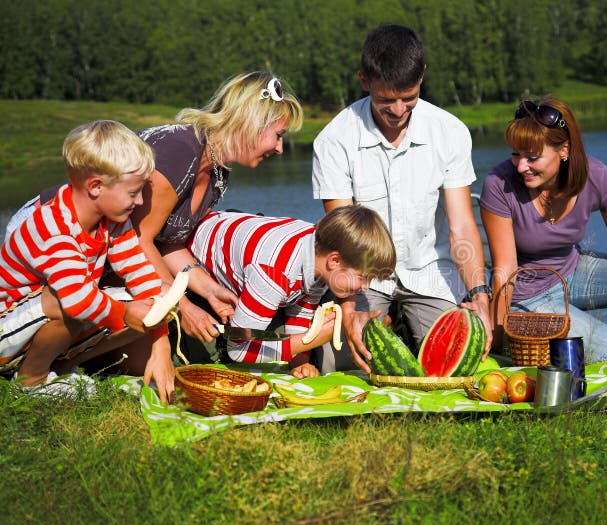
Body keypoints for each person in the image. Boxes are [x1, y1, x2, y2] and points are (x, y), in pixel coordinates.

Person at [5, 72, 304, 349]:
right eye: (278, 135)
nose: (279, 148)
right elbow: (138, 238)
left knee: (136, 335)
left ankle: (63, 365)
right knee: (118, 316)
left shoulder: (217, 171)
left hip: (107, 256)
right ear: (251, 124)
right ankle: (31, 372)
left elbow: (168, 240)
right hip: (57, 238)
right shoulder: (180, 151)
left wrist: (209, 290)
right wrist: (182, 307)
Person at [311, 24, 492, 374]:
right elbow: (342, 241)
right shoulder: (332, 141)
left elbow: (462, 227)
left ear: (422, 75)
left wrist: (479, 294)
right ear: (364, 81)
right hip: (362, 276)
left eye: (408, 99)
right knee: (345, 362)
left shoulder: (450, 132)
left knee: (460, 361)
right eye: (385, 101)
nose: (397, 110)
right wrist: (348, 312)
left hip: (431, 271)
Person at [480, 97, 607, 362]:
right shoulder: (499, 184)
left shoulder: (596, 176)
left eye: (532, 157)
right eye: (516, 153)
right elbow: (505, 271)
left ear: (564, 150)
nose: (520, 166)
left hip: (572, 272)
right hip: (527, 295)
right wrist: (494, 336)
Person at [0, 120, 174, 402]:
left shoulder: (113, 222)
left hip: (35, 330)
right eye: (133, 192)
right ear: (95, 186)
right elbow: (76, 299)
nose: (140, 201)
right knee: (66, 301)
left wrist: (161, 342)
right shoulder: (53, 227)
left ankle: (59, 366)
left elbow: (140, 273)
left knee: (158, 296)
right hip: (6, 329)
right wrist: (126, 313)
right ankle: (29, 380)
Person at [186, 205, 396, 378]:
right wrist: (315, 338)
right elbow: (239, 349)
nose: (365, 287)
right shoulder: (273, 273)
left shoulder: (320, 254)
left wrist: (299, 361)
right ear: (335, 260)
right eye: (363, 277)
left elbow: (300, 309)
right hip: (190, 255)